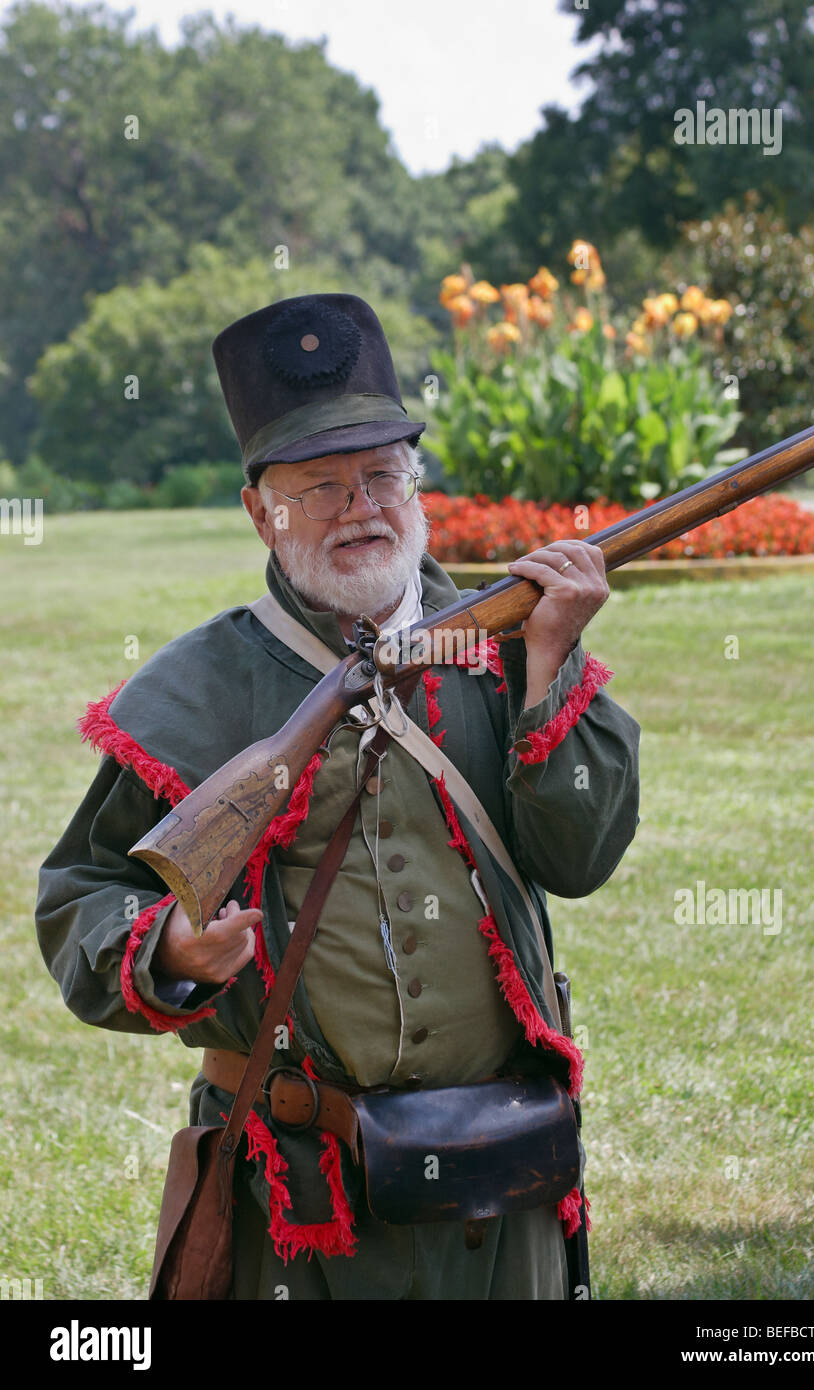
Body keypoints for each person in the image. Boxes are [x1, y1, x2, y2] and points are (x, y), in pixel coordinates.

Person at [36, 293, 640, 1300]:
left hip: (502, 1183)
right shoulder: (190, 692)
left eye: (380, 476)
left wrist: (549, 667)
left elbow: (578, 859)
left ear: (417, 488)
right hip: (300, 1199)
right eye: (318, 486)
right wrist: (169, 949)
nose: (359, 506)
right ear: (259, 510)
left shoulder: (509, 646)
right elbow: (82, 898)